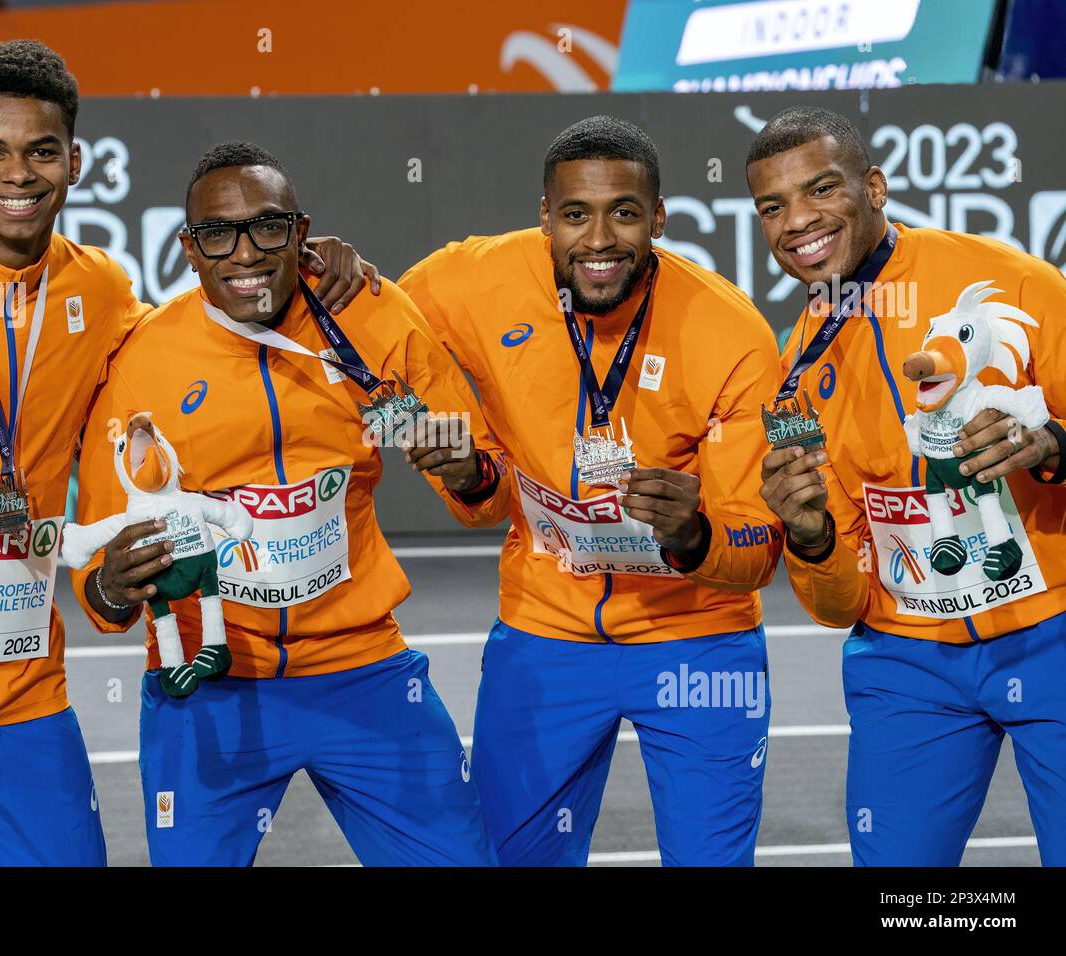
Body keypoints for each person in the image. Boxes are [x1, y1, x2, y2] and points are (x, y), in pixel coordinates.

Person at [0, 40, 376, 867]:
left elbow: (206, 342)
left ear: (74, 161)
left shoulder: (103, 291)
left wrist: (311, 270)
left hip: (25, 698)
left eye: (40, 151)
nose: (17, 175)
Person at [70, 140, 512, 866]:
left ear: (302, 233)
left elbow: (483, 496)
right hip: (208, 685)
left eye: (268, 226)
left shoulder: (367, 319)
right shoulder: (142, 361)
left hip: (361, 670)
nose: (246, 253)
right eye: (219, 233)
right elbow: (99, 594)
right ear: (188, 248)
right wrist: (113, 587)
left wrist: (467, 473)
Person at [398, 115, 783, 866]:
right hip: (545, 637)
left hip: (697, 642)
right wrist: (471, 465)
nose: (599, 239)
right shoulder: (473, 280)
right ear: (544, 216)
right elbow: (374, 326)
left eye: (625, 214)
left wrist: (697, 533)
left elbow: (760, 549)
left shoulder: (731, 333)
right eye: (576, 214)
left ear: (660, 218)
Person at [748, 106, 1066, 866]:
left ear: (876, 187)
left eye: (820, 190)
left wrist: (1050, 445)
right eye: (773, 206)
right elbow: (836, 607)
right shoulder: (795, 374)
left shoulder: (1010, 283)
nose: (798, 221)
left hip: (1054, 636)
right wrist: (813, 537)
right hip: (907, 666)